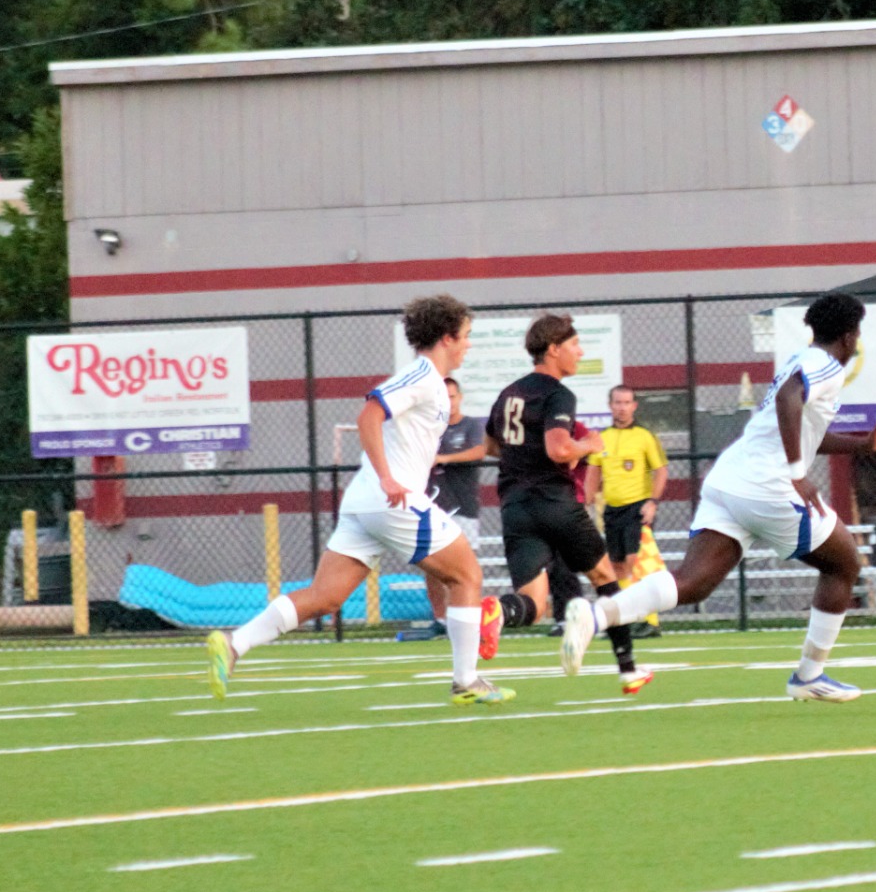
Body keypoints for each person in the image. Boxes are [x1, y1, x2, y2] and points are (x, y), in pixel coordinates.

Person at [563, 293, 876, 700]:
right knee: (844, 563)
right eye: (857, 333)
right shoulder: (826, 366)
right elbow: (788, 400)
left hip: (729, 479)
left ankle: (596, 615)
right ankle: (808, 676)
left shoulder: (802, 359)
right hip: (768, 487)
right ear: (849, 337)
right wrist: (798, 475)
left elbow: (801, 428)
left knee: (693, 582)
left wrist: (862, 445)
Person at [207, 296, 510, 704]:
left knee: (325, 597)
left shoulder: (434, 385)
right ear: (446, 338)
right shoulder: (422, 376)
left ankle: (234, 644)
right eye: (466, 336)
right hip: (393, 500)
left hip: (367, 503)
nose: (468, 345)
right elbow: (370, 414)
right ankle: (466, 681)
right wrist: (387, 477)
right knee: (467, 575)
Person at [482, 314, 652, 694]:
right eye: (575, 344)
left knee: (533, 605)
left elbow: (491, 445)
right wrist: (589, 444)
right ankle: (628, 669)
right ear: (554, 349)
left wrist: (527, 456)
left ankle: (500, 610)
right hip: (555, 503)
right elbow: (559, 450)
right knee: (605, 578)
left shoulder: (508, 393)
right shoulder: (558, 393)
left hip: (515, 507)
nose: (581, 351)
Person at [400, 378, 486, 642]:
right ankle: (440, 620)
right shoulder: (429, 428)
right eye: (444, 397)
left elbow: (479, 451)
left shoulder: (471, 426)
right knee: (431, 567)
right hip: (432, 507)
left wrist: (444, 458)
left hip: (463, 508)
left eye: (452, 396)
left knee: (466, 569)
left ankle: (471, 622)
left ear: (460, 397)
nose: (449, 402)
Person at [585, 384, 669, 637]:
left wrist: (652, 502)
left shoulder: (645, 436)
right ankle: (627, 618)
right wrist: (586, 502)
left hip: (637, 508)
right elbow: (593, 472)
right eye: (617, 403)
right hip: (612, 510)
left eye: (626, 403)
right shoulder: (603, 438)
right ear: (610, 406)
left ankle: (650, 621)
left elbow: (661, 470)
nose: (622, 408)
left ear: (634, 406)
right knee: (617, 567)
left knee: (636, 562)